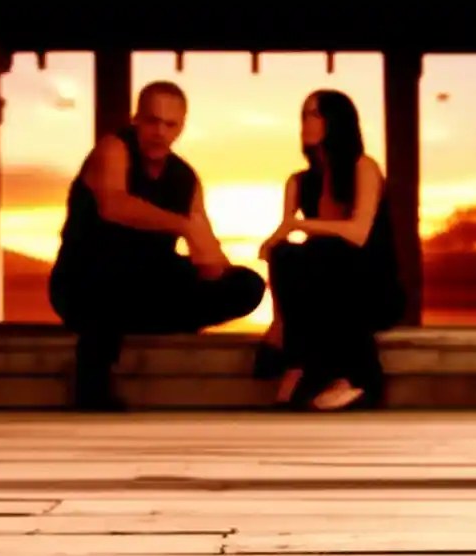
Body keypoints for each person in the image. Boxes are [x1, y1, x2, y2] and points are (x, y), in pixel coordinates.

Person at [50, 81, 266, 410]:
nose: (160, 132)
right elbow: (114, 205)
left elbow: (205, 245)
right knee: (111, 273)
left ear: (181, 127)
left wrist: (214, 267)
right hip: (87, 282)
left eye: (170, 124)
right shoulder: (113, 149)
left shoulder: (184, 178)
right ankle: (92, 387)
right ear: (137, 119)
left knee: (246, 284)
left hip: (150, 285)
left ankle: (167, 321)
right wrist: (181, 225)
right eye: (152, 121)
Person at [255, 89, 407, 411]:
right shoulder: (298, 182)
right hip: (327, 286)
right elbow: (283, 236)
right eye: (304, 115)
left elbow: (358, 234)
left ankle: (347, 376)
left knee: (330, 254)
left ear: (336, 121)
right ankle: (293, 350)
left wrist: (303, 226)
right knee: (288, 254)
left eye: (314, 114)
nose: (305, 122)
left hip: (371, 288)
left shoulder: (363, 167)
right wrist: (275, 244)